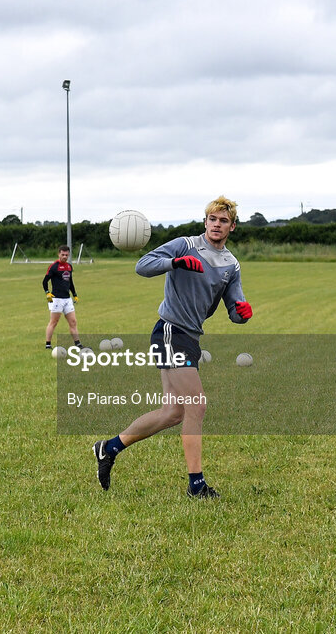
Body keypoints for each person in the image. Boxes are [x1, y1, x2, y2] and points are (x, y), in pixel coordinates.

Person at [92, 196, 252, 498]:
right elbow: (143, 265)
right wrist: (174, 262)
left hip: (190, 336)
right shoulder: (185, 245)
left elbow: (235, 305)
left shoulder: (232, 265)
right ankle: (197, 485)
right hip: (170, 330)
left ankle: (109, 448)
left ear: (232, 226)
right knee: (197, 405)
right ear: (205, 222)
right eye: (212, 219)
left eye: (223, 221)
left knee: (173, 411)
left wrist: (240, 313)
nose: (217, 225)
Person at [43, 245, 83, 350]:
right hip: (56, 299)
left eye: (66, 255)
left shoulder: (69, 267)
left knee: (73, 322)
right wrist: (47, 293)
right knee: (54, 322)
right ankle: (48, 344)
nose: (64, 257)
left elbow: (70, 282)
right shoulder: (54, 267)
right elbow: (44, 281)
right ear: (59, 254)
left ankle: (78, 343)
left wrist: (74, 294)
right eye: (62, 254)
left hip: (67, 299)